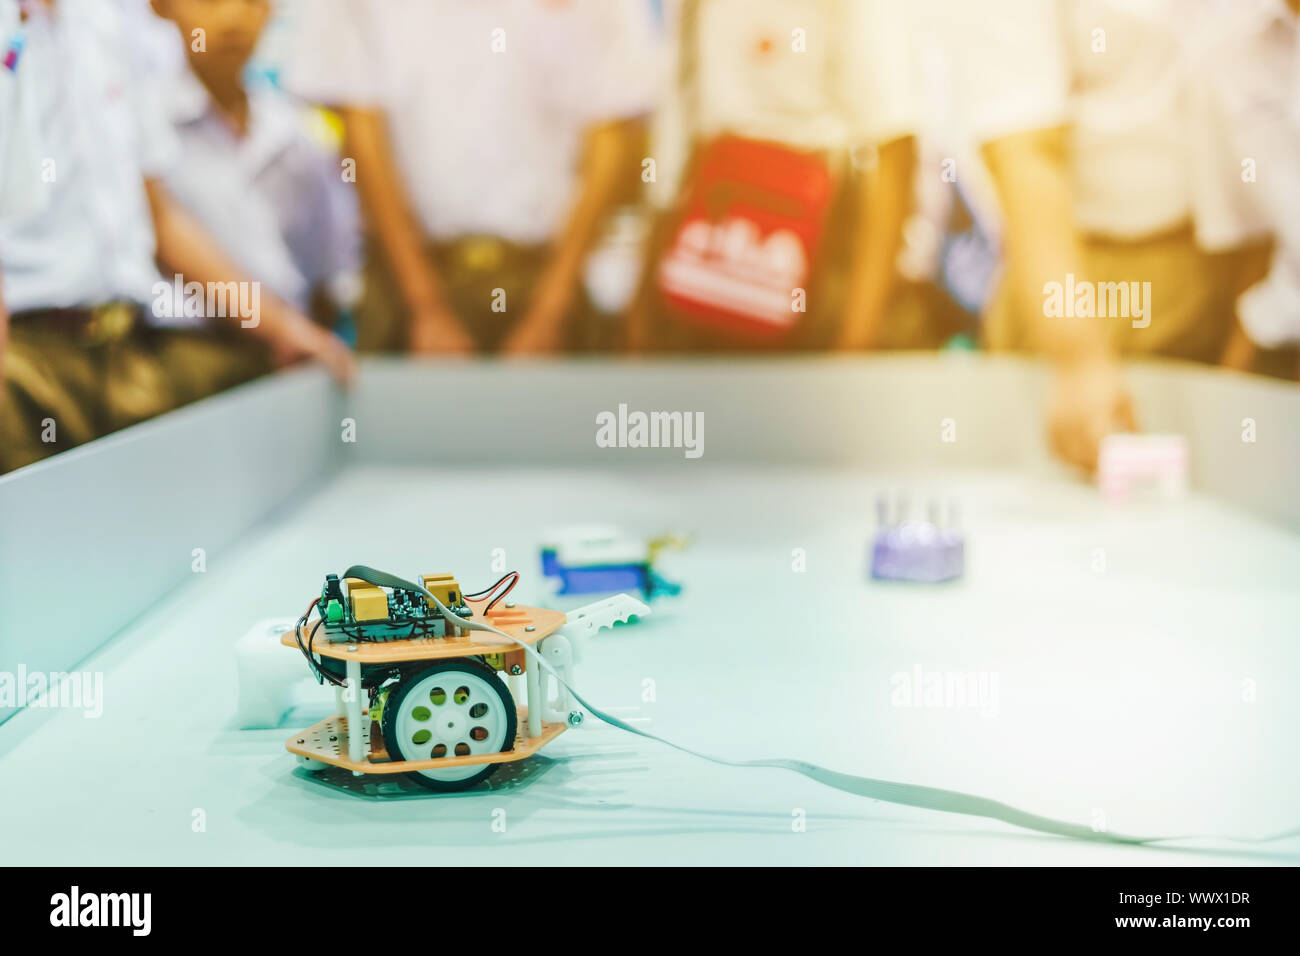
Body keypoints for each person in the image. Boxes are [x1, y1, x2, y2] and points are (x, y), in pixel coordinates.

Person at [0, 0, 353, 474]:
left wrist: (282, 327)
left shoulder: (108, 21)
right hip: (21, 357)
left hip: (125, 347)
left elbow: (158, 216)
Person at [283, 0, 660, 356]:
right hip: (401, 283)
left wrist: (551, 310)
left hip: (546, 275)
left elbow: (610, 135)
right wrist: (424, 306)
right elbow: (360, 130)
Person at [627, 0, 917, 353]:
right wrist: (643, 303)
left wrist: (856, 342)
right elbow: (673, 156)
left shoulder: (855, 11)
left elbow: (893, 155)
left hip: (810, 276)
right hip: (701, 271)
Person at [148, 0, 362, 402]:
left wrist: (307, 334)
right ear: (161, 6)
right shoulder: (145, 123)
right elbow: (158, 229)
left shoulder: (300, 134)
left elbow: (331, 272)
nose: (232, 18)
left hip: (290, 362)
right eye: (209, 1)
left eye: (250, 0)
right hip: (187, 363)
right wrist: (279, 326)